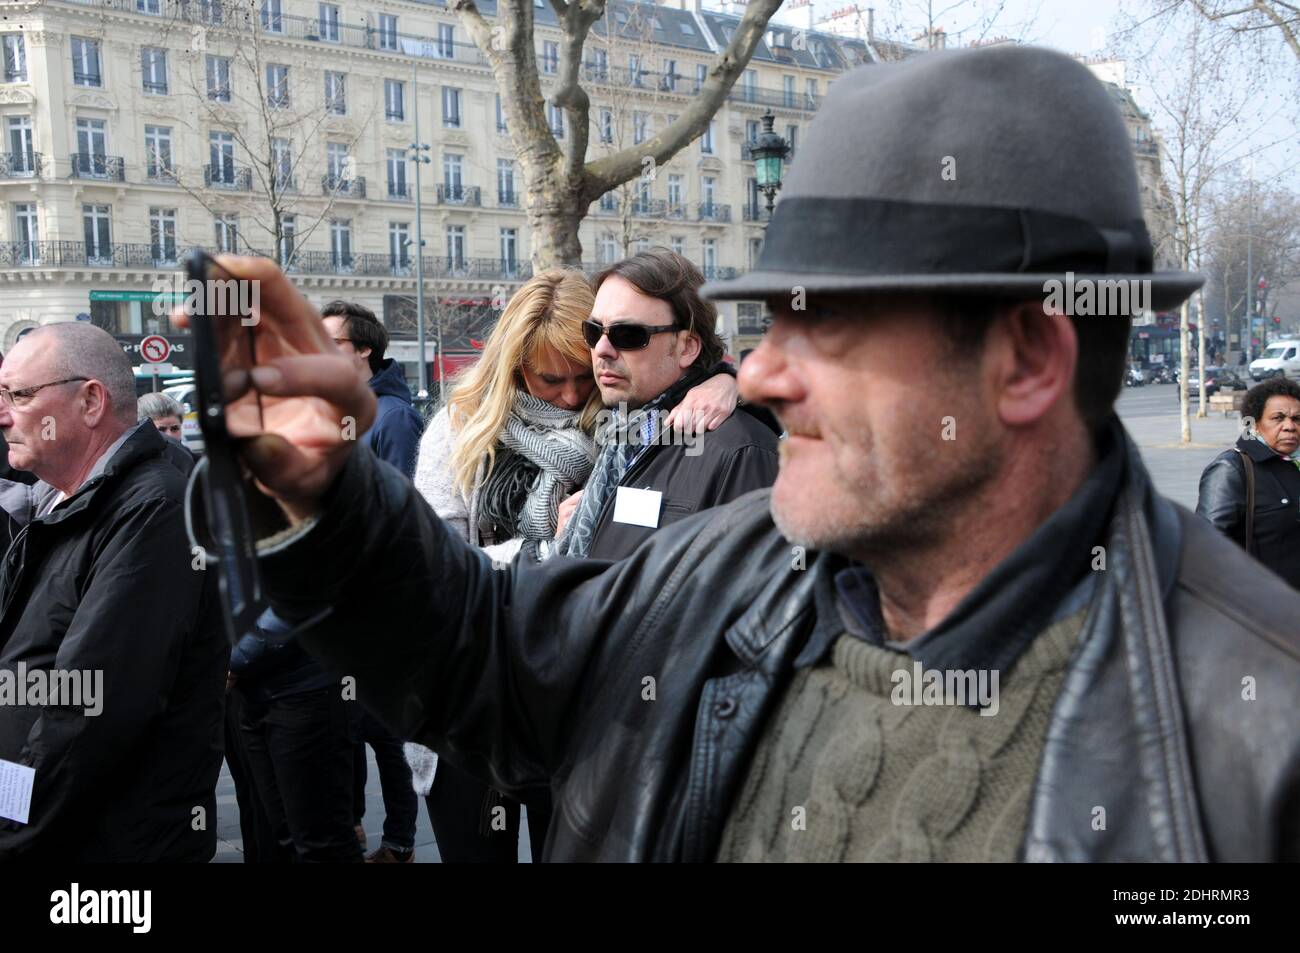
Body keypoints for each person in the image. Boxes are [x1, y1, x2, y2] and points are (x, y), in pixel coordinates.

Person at [181, 46, 1299, 862]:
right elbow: (491, 668)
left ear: (1024, 361)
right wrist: (327, 501)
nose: (757, 372)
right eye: (768, 319)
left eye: (826, 326)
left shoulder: (1256, 740)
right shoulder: (720, 566)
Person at [409, 269, 740, 861]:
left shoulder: (625, 424)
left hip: (573, 702)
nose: (568, 396)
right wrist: (538, 551)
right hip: (473, 690)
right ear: (513, 368)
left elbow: (685, 372)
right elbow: (434, 578)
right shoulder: (460, 430)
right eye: (548, 379)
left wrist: (726, 382)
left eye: (579, 377)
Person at [0, 323, 225, 861]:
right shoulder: (64, 498)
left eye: (19, 395)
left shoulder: (154, 509)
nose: (3, 413)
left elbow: (88, 709)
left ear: (91, 401)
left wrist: (12, 832)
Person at [550, 248, 780, 560]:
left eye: (628, 335)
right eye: (593, 331)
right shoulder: (617, 431)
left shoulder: (742, 452)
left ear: (687, 347)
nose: (602, 349)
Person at [319, 300, 424, 862]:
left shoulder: (394, 418)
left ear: (363, 349)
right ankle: (356, 827)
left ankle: (401, 841)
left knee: (388, 736)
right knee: (351, 728)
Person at [1196, 376, 1300, 589]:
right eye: (1278, 418)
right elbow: (1207, 548)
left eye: (1297, 418)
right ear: (1254, 424)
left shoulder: (1295, 463)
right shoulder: (1232, 468)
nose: (1290, 426)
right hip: (1263, 607)